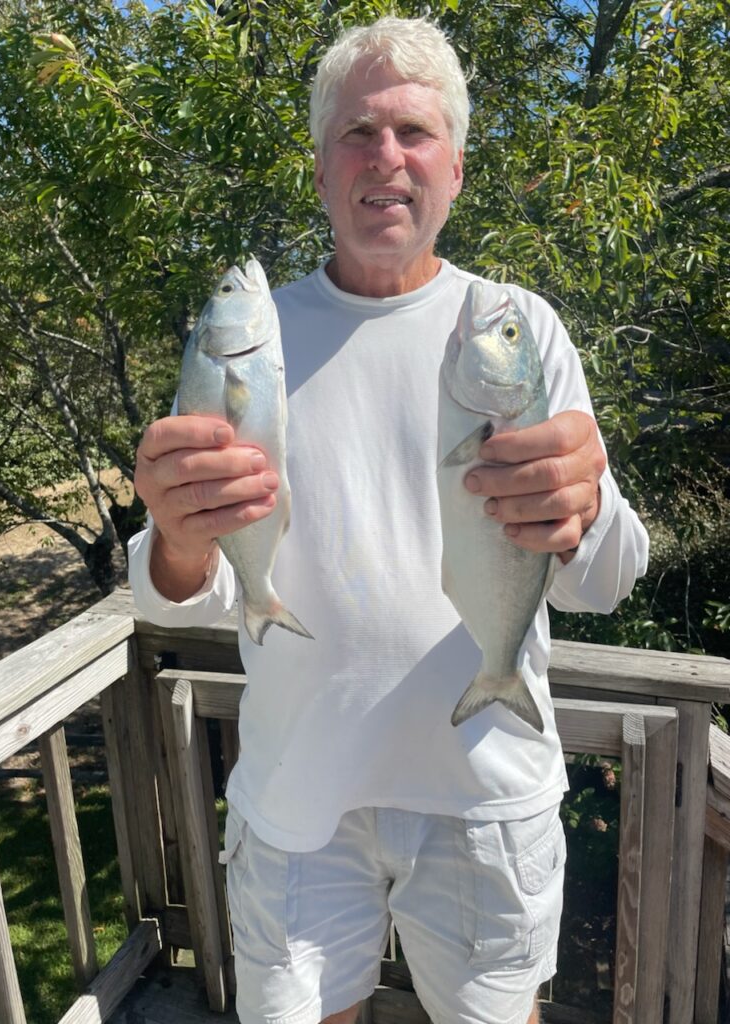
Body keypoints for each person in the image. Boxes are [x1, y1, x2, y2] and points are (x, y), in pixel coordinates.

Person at [129, 16, 648, 1024]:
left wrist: (586, 506)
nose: (387, 157)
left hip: (486, 791)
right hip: (298, 795)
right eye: (358, 133)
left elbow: (608, 578)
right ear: (322, 168)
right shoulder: (252, 339)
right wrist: (181, 538)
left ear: (456, 168)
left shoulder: (517, 326)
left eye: (415, 132)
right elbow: (177, 596)